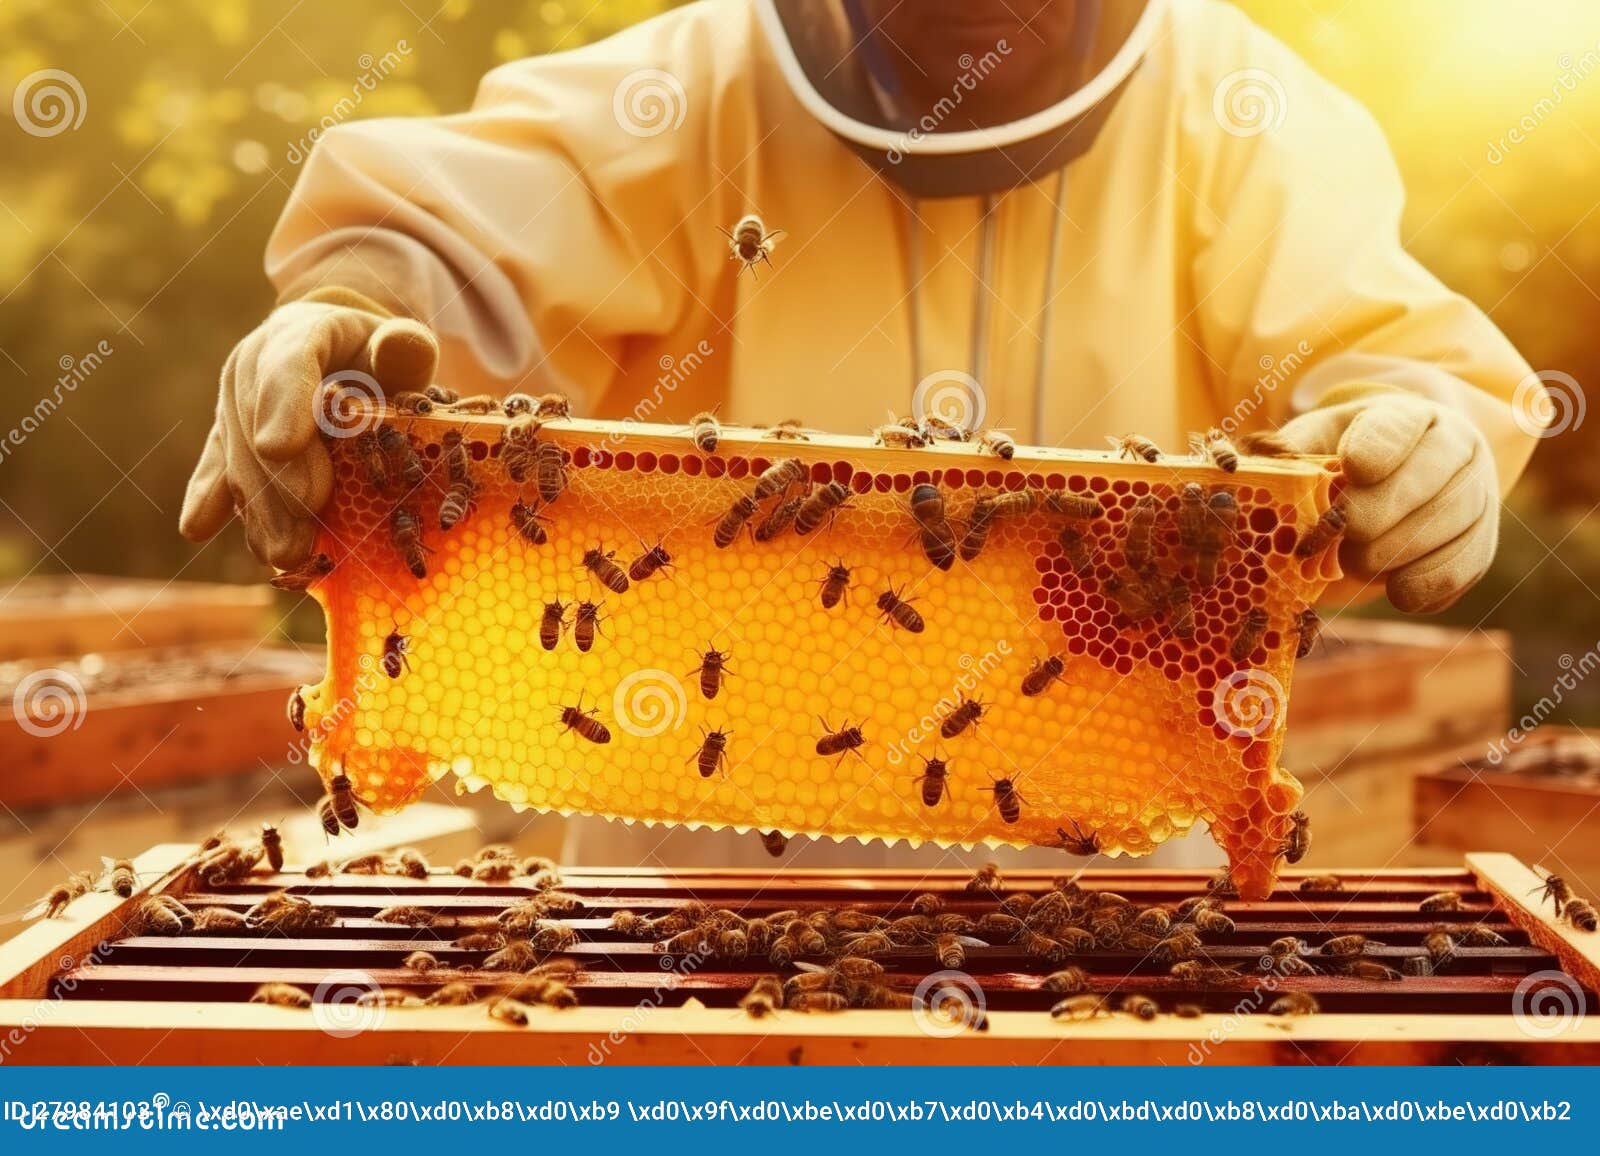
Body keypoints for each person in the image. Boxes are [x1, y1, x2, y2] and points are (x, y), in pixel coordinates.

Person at [180, 0, 1544, 868]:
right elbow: (435, 251)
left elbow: (1380, 362)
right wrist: (349, 317)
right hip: (677, 909)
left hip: (1119, 915)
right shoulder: (690, 86)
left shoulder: (1242, 109)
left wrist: (1423, 440)